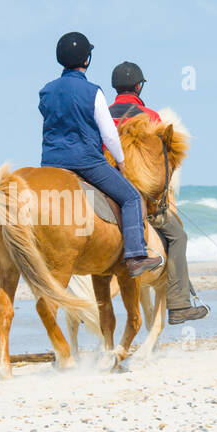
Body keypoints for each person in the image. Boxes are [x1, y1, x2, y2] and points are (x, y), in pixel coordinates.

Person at [39, 32, 162, 277]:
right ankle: (136, 255)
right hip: (85, 162)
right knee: (131, 197)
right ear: (86, 60)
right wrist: (121, 161)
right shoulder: (92, 91)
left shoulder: (46, 91)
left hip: (50, 163)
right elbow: (108, 134)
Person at [108, 61, 208, 324]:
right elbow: (159, 164)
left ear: (115, 88)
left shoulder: (104, 115)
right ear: (139, 87)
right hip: (140, 199)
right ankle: (179, 305)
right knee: (178, 237)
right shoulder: (151, 117)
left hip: (106, 190)